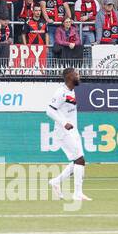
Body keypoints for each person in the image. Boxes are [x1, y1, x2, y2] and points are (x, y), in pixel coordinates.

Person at [45, 67, 90, 202]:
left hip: (73, 130)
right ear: (70, 76)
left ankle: (56, 181)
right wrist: (64, 122)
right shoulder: (61, 92)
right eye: (76, 74)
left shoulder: (72, 91)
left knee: (79, 161)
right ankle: (77, 193)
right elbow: (49, 110)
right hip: (63, 131)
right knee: (79, 160)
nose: (79, 75)